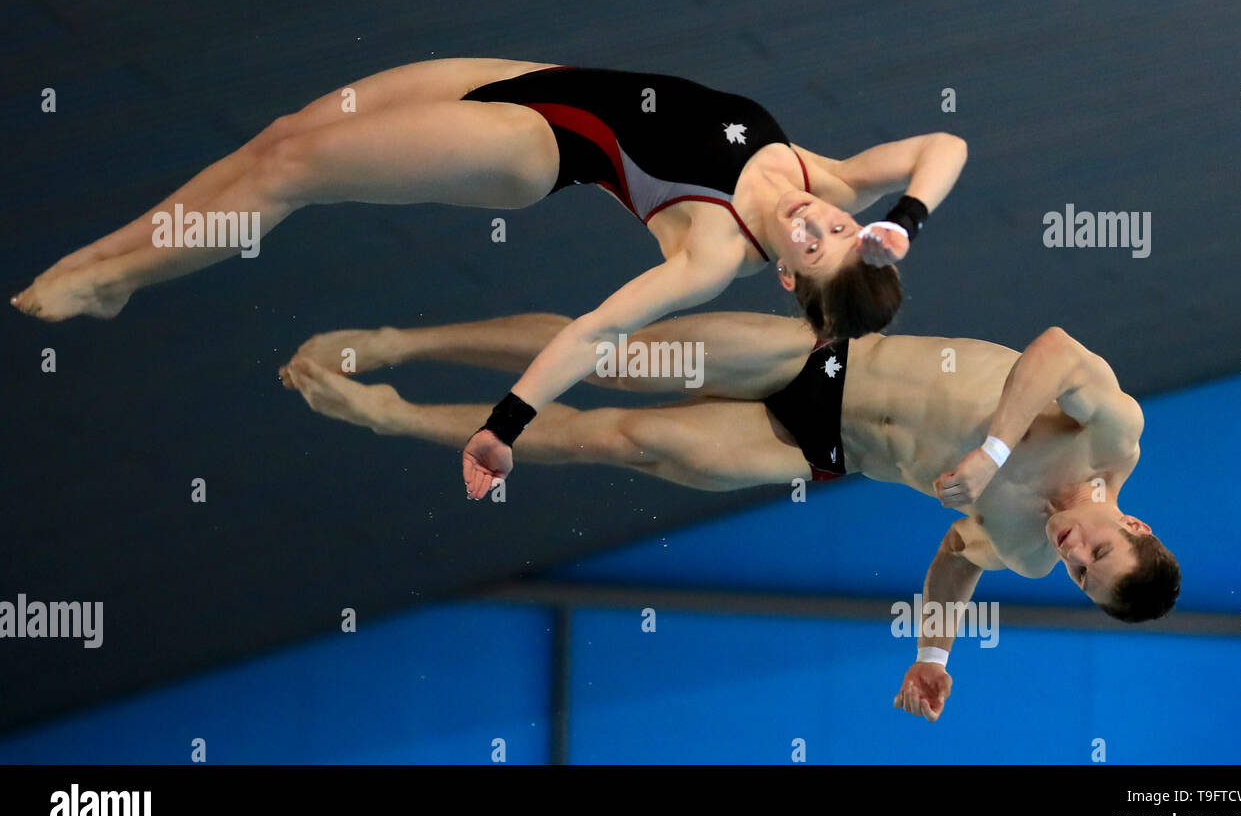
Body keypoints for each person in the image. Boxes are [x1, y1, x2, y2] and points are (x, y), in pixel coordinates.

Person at [9, 58, 966, 495]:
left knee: (295, 175)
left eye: (817, 247)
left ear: (788, 282)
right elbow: (944, 143)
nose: (818, 223)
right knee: (286, 138)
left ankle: (105, 281)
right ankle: (109, 265)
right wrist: (906, 225)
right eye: (845, 228)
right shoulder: (824, 176)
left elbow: (596, 335)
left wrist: (504, 427)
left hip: (531, 144)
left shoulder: (712, 252)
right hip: (528, 76)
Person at [278, 309, 1181, 721]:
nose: (1070, 551)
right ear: (1133, 527)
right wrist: (990, 450)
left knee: (622, 440)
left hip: (818, 447)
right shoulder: (1116, 435)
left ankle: (391, 413)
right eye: (1095, 550)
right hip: (835, 362)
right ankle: (402, 341)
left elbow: (955, 554)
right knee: (615, 357)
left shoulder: (1022, 550)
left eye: (1076, 572)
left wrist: (932, 652)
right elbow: (1057, 346)